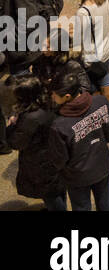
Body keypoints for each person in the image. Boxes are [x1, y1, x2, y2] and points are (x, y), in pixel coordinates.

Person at [48, 70, 109, 211]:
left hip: (77, 176)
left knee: (81, 207)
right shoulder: (101, 102)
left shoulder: (59, 125)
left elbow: (60, 159)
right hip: (101, 164)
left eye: (54, 94)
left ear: (67, 96)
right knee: (106, 201)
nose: (52, 97)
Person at [8, 74, 67, 210]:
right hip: (56, 152)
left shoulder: (29, 118)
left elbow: (16, 143)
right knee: (58, 187)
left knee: (49, 194)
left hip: (40, 161)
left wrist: (12, 125)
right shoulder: (50, 102)